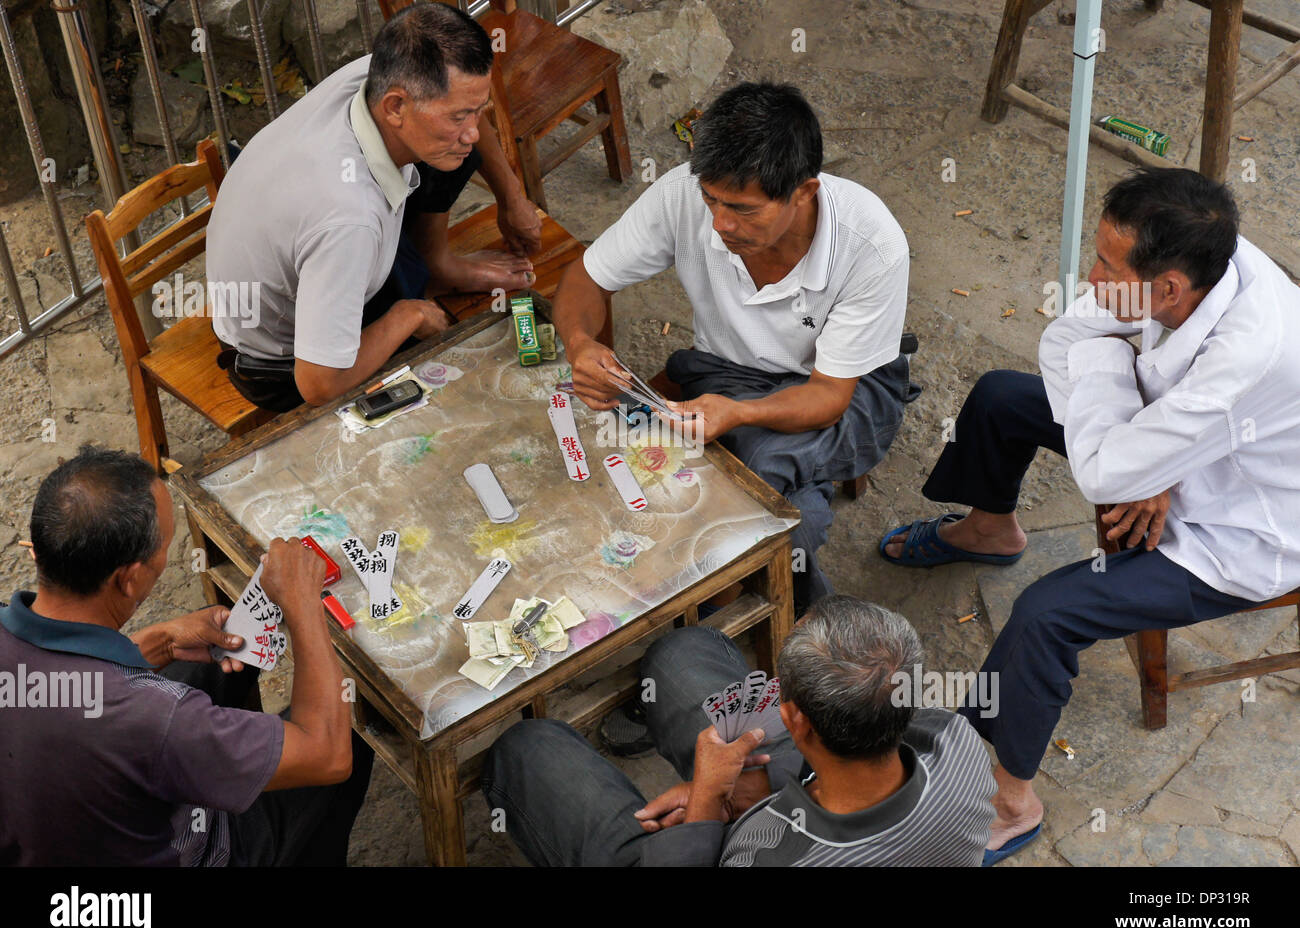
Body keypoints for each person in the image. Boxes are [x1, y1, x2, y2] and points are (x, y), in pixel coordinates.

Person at [879, 167, 1300, 863]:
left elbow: (1103, 462)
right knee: (1000, 397)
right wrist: (1151, 454)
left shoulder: (1249, 352)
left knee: (1047, 615)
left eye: (1106, 263)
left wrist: (1145, 453)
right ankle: (989, 529)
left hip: (1243, 532)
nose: (1089, 274)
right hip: (1189, 451)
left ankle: (1011, 803)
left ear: (1166, 287)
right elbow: (1062, 339)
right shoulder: (1206, 257)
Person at [552, 82, 919, 615]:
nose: (721, 223)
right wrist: (581, 344)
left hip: (847, 387)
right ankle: (781, 606)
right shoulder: (683, 195)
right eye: (712, 201)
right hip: (726, 371)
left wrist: (738, 413)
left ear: (804, 192)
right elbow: (585, 280)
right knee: (797, 520)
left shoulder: (873, 246)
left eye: (745, 210)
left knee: (760, 466)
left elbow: (829, 397)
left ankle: (705, 606)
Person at [0, 446, 373, 866]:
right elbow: (327, 755)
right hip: (173, 863)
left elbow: (65, 690)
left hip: (61, 828)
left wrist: (163, 639)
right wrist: (303, 602)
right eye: (163, 545)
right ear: (131, 578)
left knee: (217, 666)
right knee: (353, 735)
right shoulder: (151, 717)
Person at [482, 596, 995, 866]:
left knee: (528, 748)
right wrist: (766, 788)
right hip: (804, 800)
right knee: (679, 654)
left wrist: (707, 802)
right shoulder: (957, 743)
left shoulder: (774, 854)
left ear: (793, 720)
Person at [207, 3, 542, 412]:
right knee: (458, 396)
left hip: (303, 258)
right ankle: (421, 286)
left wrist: (512, 197)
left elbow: (467, 113)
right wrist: (408, 316)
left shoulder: (384, 72)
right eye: (458, 116)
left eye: (477, 110)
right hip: (280, 365)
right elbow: (318, 385)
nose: (472, 130)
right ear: (396, 106)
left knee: (454, 153)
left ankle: (437, 266)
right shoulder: (350, 221)